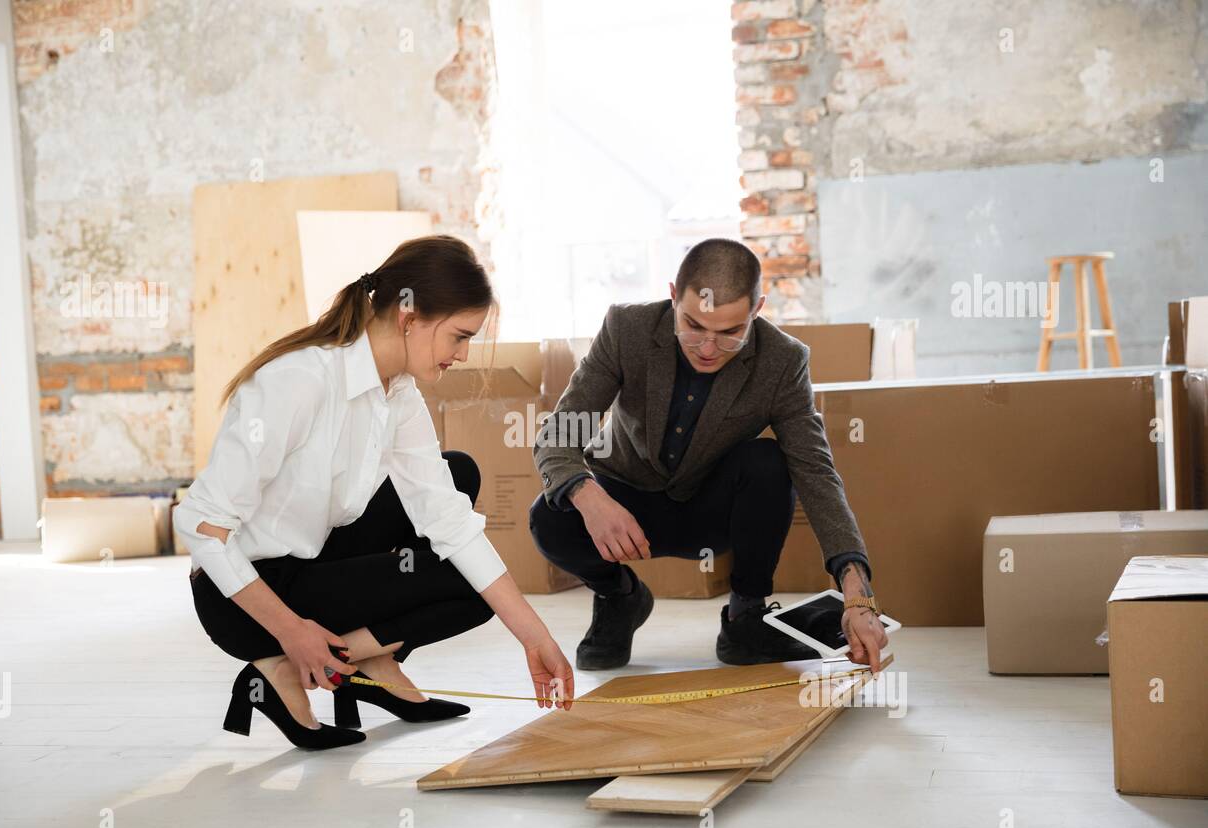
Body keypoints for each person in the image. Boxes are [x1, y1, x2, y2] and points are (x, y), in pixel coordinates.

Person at [175, 235, 575, 750]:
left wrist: (536, 638)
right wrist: (294, 630)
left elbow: (447, 519)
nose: (462, 354)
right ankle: (284, 661)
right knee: (464, 583)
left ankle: (351, 663)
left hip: (311, 557)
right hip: (243, 594)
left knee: (456, 483)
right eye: (458, 336)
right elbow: (202, 528)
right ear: (410, 319)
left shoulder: (399, 393)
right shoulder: (298, 381)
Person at [529, 238, 888, 672]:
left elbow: (817, 472)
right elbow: (560, 433)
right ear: (673, 295)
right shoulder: (627, 329)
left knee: (770, 463)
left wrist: (857, 593)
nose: (708, 348)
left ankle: (745, 618)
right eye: (694, 326)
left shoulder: (783, 361)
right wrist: (588, 496)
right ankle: (619, 597)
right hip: (624, 508)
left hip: (710, 513)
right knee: (549, 515)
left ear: (757, 310)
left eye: (730, 333)